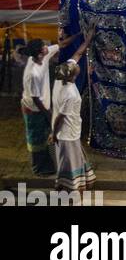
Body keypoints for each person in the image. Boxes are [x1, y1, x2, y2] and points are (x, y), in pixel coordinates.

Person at [21, 35, 83, 176]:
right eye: (43, 46)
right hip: (33, 109)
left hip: (43, 105)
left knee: (47, 137)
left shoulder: (43, 56)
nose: (46, 46)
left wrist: (79, 33)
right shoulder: (33, 73)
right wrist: (49, 114)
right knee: (36, 139)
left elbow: (62, 44)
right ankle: (39, 168)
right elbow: (35, 98)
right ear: (39, 53)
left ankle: (48, 164)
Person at [50, 60, 96, 192]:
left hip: (71, 131)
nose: (76, 66)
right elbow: (61, 117)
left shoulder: (62, 83)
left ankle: (71, 185)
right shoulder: (70, 94)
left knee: (74, 159)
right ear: (72, 76)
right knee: (70, 163)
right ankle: (70, 188)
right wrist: (53, 133)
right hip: (67, 133)